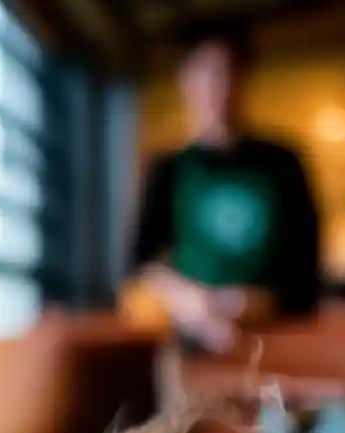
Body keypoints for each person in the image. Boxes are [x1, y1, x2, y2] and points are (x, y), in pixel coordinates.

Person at [129, 25, 321, 352]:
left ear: (246, 78)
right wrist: (192, 302)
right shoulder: (168, 168)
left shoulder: (283, 164)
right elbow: (139, 265)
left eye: (229, 72)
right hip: (188, 342)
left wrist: (257, 303)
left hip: (275, 342)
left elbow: (309, 272)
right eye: (207, 72)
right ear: (185, 79)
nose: (219, 87)